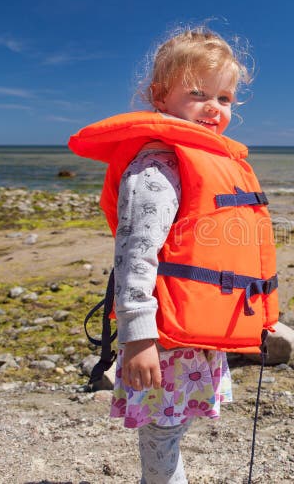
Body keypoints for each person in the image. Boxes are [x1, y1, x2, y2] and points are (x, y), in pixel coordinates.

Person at [68, 26, 279, 484]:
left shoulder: (210, 161)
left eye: (224, 99)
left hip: (195, 335)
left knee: (173, 427)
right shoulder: (158, 164)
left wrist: (263, 315)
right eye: (198, 93)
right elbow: (135, 255)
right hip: (163, 335)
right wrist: (138, 336)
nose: (213, 108)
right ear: (160, 96)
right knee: (162, 432)